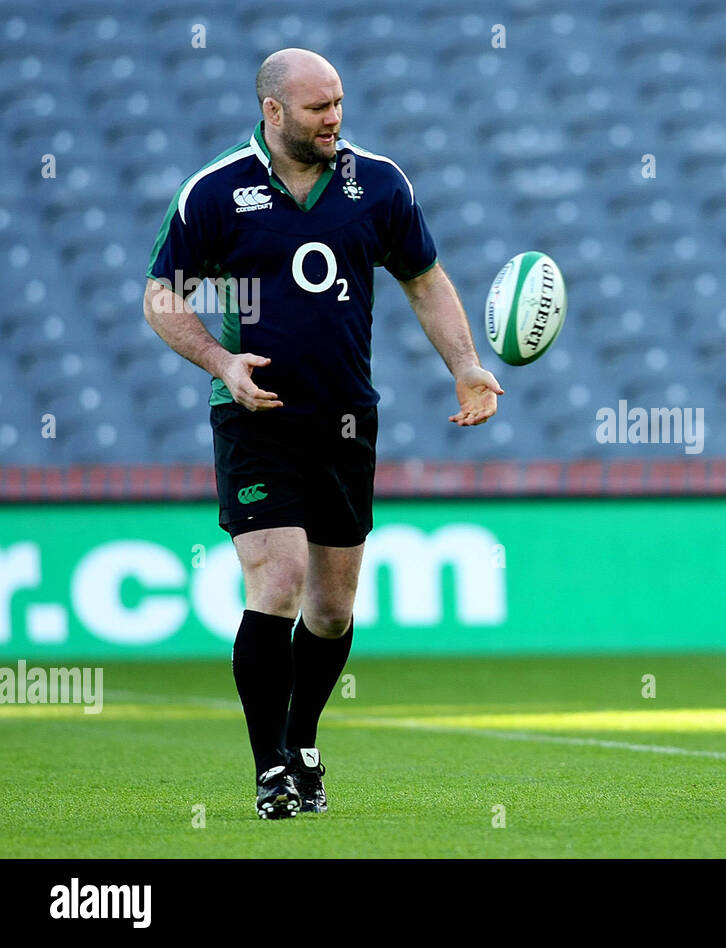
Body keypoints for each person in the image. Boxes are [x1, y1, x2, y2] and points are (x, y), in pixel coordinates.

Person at [143, 48, 503, 819]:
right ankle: (270, 766)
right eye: (317, 108)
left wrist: (466, 365)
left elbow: (424, 280)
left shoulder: (378, 183)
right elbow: (160, 297)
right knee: (275, 579)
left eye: (339, 102)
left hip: (345, 418)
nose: (334, 117)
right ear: (273, 111)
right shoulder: (215, 191)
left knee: (333, 608)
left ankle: (303, 739)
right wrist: (220, 360)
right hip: (256, 414)